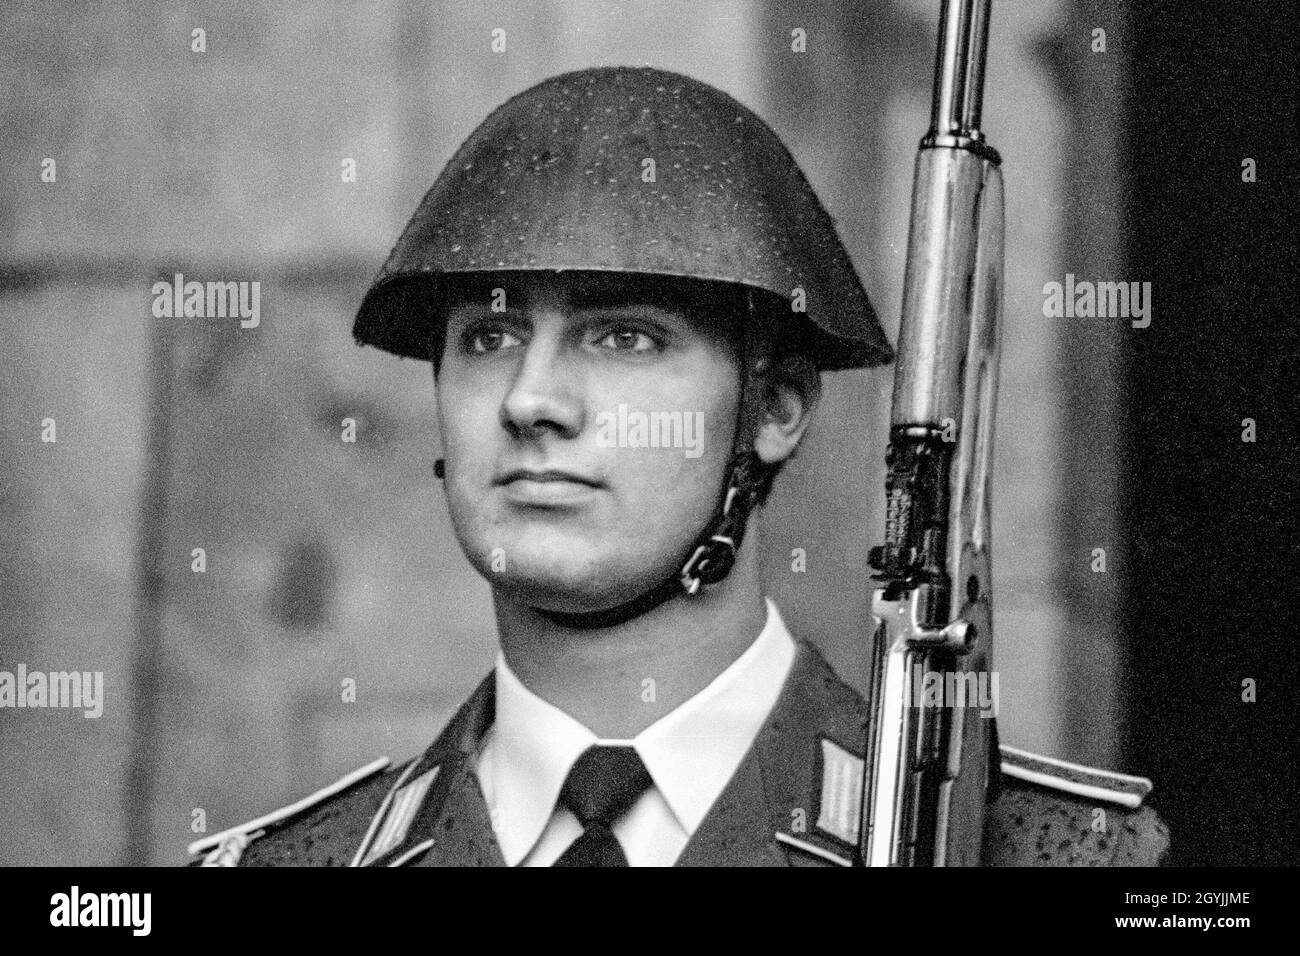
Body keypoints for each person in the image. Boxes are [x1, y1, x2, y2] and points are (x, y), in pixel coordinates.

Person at [188, 66, 1167, 867]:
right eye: (489, 335)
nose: (532, 399)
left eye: (624, 337)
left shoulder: (1059, 856)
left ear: (774, 408)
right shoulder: (300, 860)